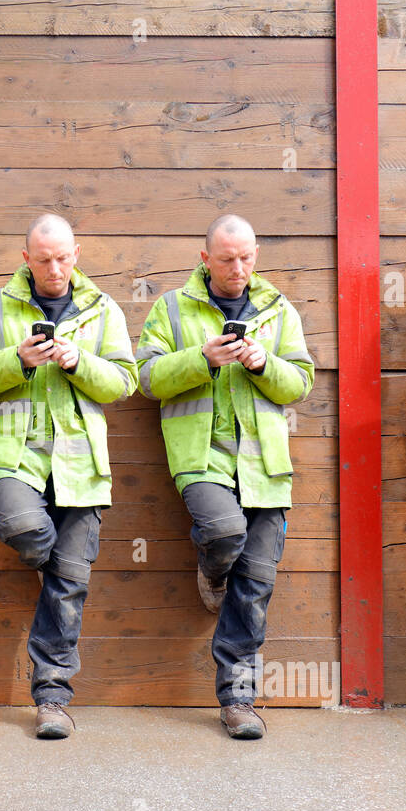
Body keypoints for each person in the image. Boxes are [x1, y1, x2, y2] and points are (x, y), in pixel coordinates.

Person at [0, 213, 136, 738]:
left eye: (61, 258)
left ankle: (52, 698)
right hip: (17, 456)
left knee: (69, 585)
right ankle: (50, 565)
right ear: (25, 258)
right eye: (43, 260)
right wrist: (17, 360)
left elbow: (125, 381)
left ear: (76, 254)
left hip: (82, 464)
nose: (54, 269)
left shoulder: (103, 309)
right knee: (25, 530)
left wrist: (80, 363)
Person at [135, 214, 314, 740]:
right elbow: (146, 377)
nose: (238, 268)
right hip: (201, 456)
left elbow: (301, 382)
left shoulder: (278, 309)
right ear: (205, 258)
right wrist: (201, 359)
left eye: (247, 257)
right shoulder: (172, 307)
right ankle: (213, 572)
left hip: (264, 464)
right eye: (227, 259)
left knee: (255, 585)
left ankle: (238, 700)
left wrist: (263, 365)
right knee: (223, 532)